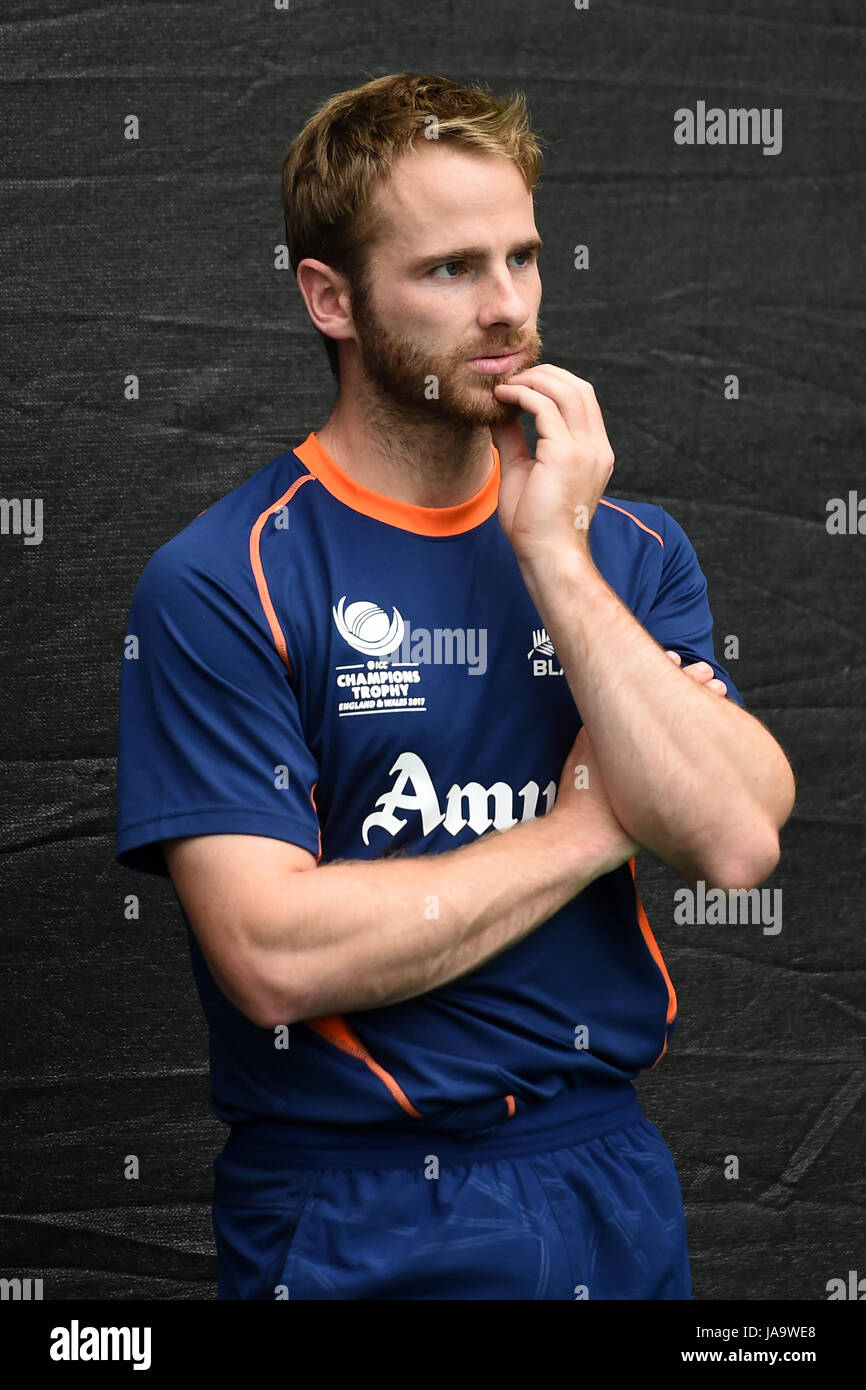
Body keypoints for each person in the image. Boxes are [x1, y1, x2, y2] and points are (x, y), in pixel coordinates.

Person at [115, 72, 795, 1300]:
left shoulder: (623, 551)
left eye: (522, 259)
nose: (506, 310)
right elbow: (270, 950)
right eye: (448, 270)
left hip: (604, 1176)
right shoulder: (226, 576)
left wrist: (550, 551)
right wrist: (588, 829)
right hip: (357, 1207)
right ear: (329, 296)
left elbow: (736, 835)